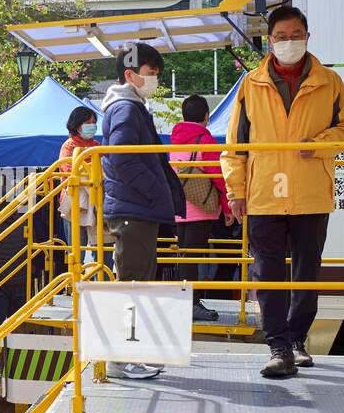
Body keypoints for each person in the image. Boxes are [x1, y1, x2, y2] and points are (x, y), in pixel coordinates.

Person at [220, 5, 344, 378]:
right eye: (281, 37)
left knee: (307, 272)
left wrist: (320, 143)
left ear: (307, 37)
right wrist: (236, 191)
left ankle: (297, 340)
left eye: (296, 35)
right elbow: (235, 145)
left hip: (310, 192)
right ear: (270, 40)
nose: (288, 42)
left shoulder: (330, 82)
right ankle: (278, 346)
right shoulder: (251, 84)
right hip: (263, 194)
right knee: (267, 275)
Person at [101, 42, 186, 381]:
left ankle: (129, 357)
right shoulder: (126, 108)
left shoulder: (129, 107)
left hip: (134, 208)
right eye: (151, 74)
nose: (154, 80)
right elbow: (122, 157)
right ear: (130, 74)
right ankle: (120, 360)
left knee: (136, 284)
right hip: (134, 209)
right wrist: (155, 191)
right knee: (133, 286)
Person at [170, 95, 233, 322]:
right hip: (201, 208)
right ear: (206, 116)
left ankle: (183, 301)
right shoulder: (205, 141)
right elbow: (219, 178)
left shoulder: (175, 142)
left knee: (184, 255)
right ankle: (192, 304)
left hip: (180, 208)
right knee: (193, 256)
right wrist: (228, 207)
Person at [58, 106, 102, 264]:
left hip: (97, 202)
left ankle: (103, 285)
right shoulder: (69, 146)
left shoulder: (97, 145)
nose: (92, 126)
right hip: (75, 203)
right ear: (77, 125)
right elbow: (68, 170)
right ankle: (75, 286)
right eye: (88, 122)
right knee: (77, 249)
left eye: (94, 122)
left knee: (102, 248)